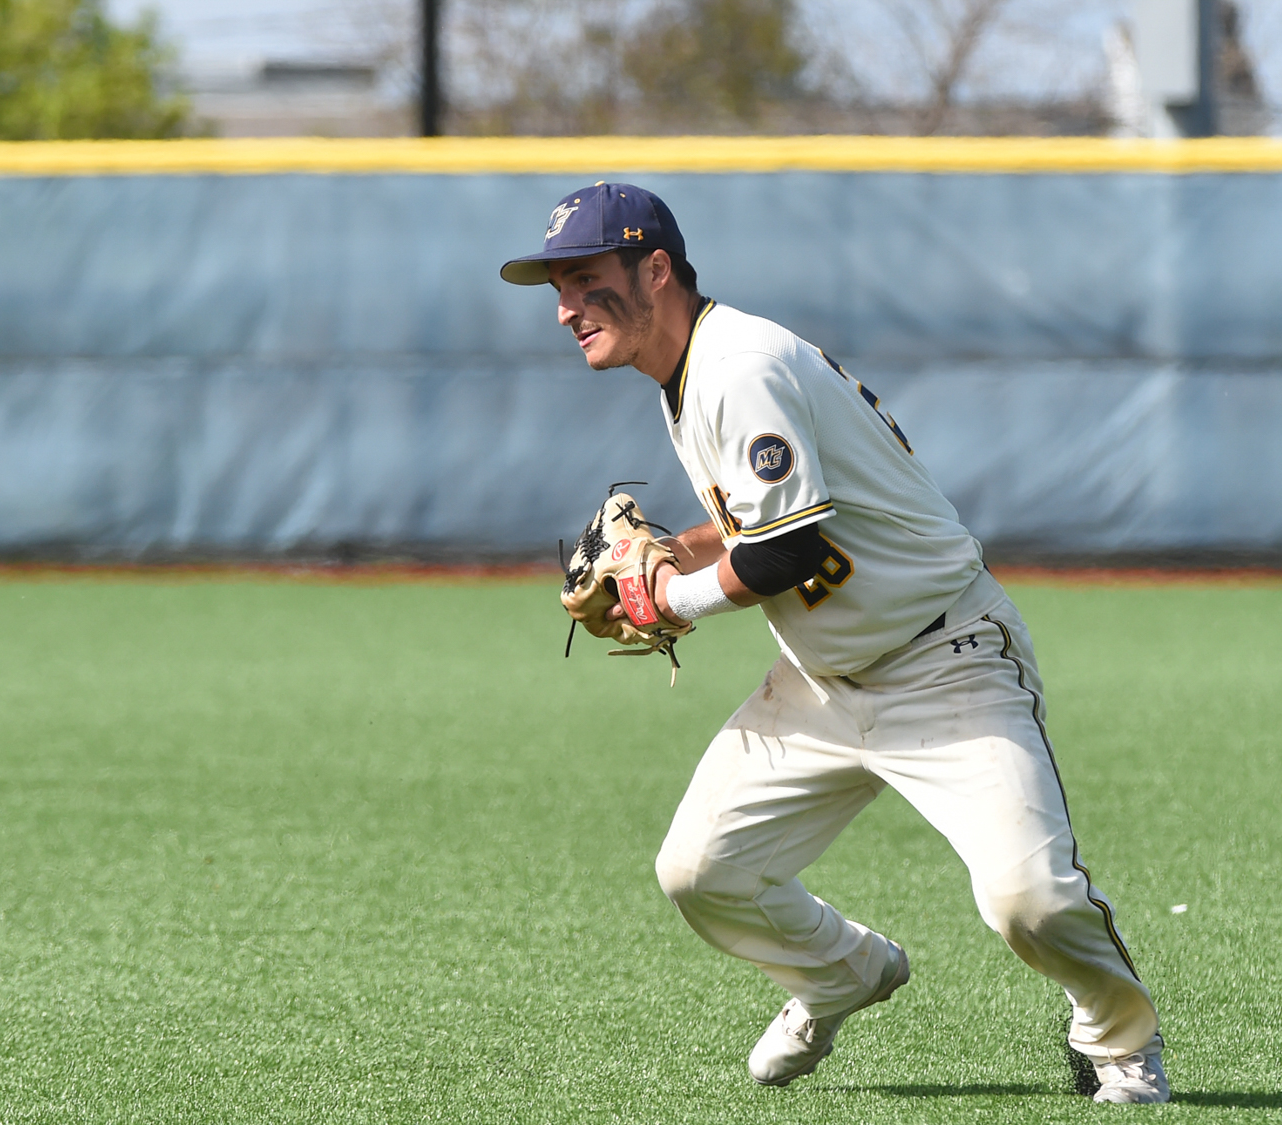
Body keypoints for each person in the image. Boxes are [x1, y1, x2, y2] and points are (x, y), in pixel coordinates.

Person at [499, 183, 1170, 1104]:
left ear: (655, 269)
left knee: (1031, 902)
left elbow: (792, 549)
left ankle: (1116, 1036)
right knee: (700, 871)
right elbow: (753, 525)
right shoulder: (686, 373)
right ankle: (839, 971)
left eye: (584, 277)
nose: (567, 306)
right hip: (822, 680)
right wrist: (659, 559)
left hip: (946, 659)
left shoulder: (737, 364)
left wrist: (673, 601)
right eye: (556, 288)